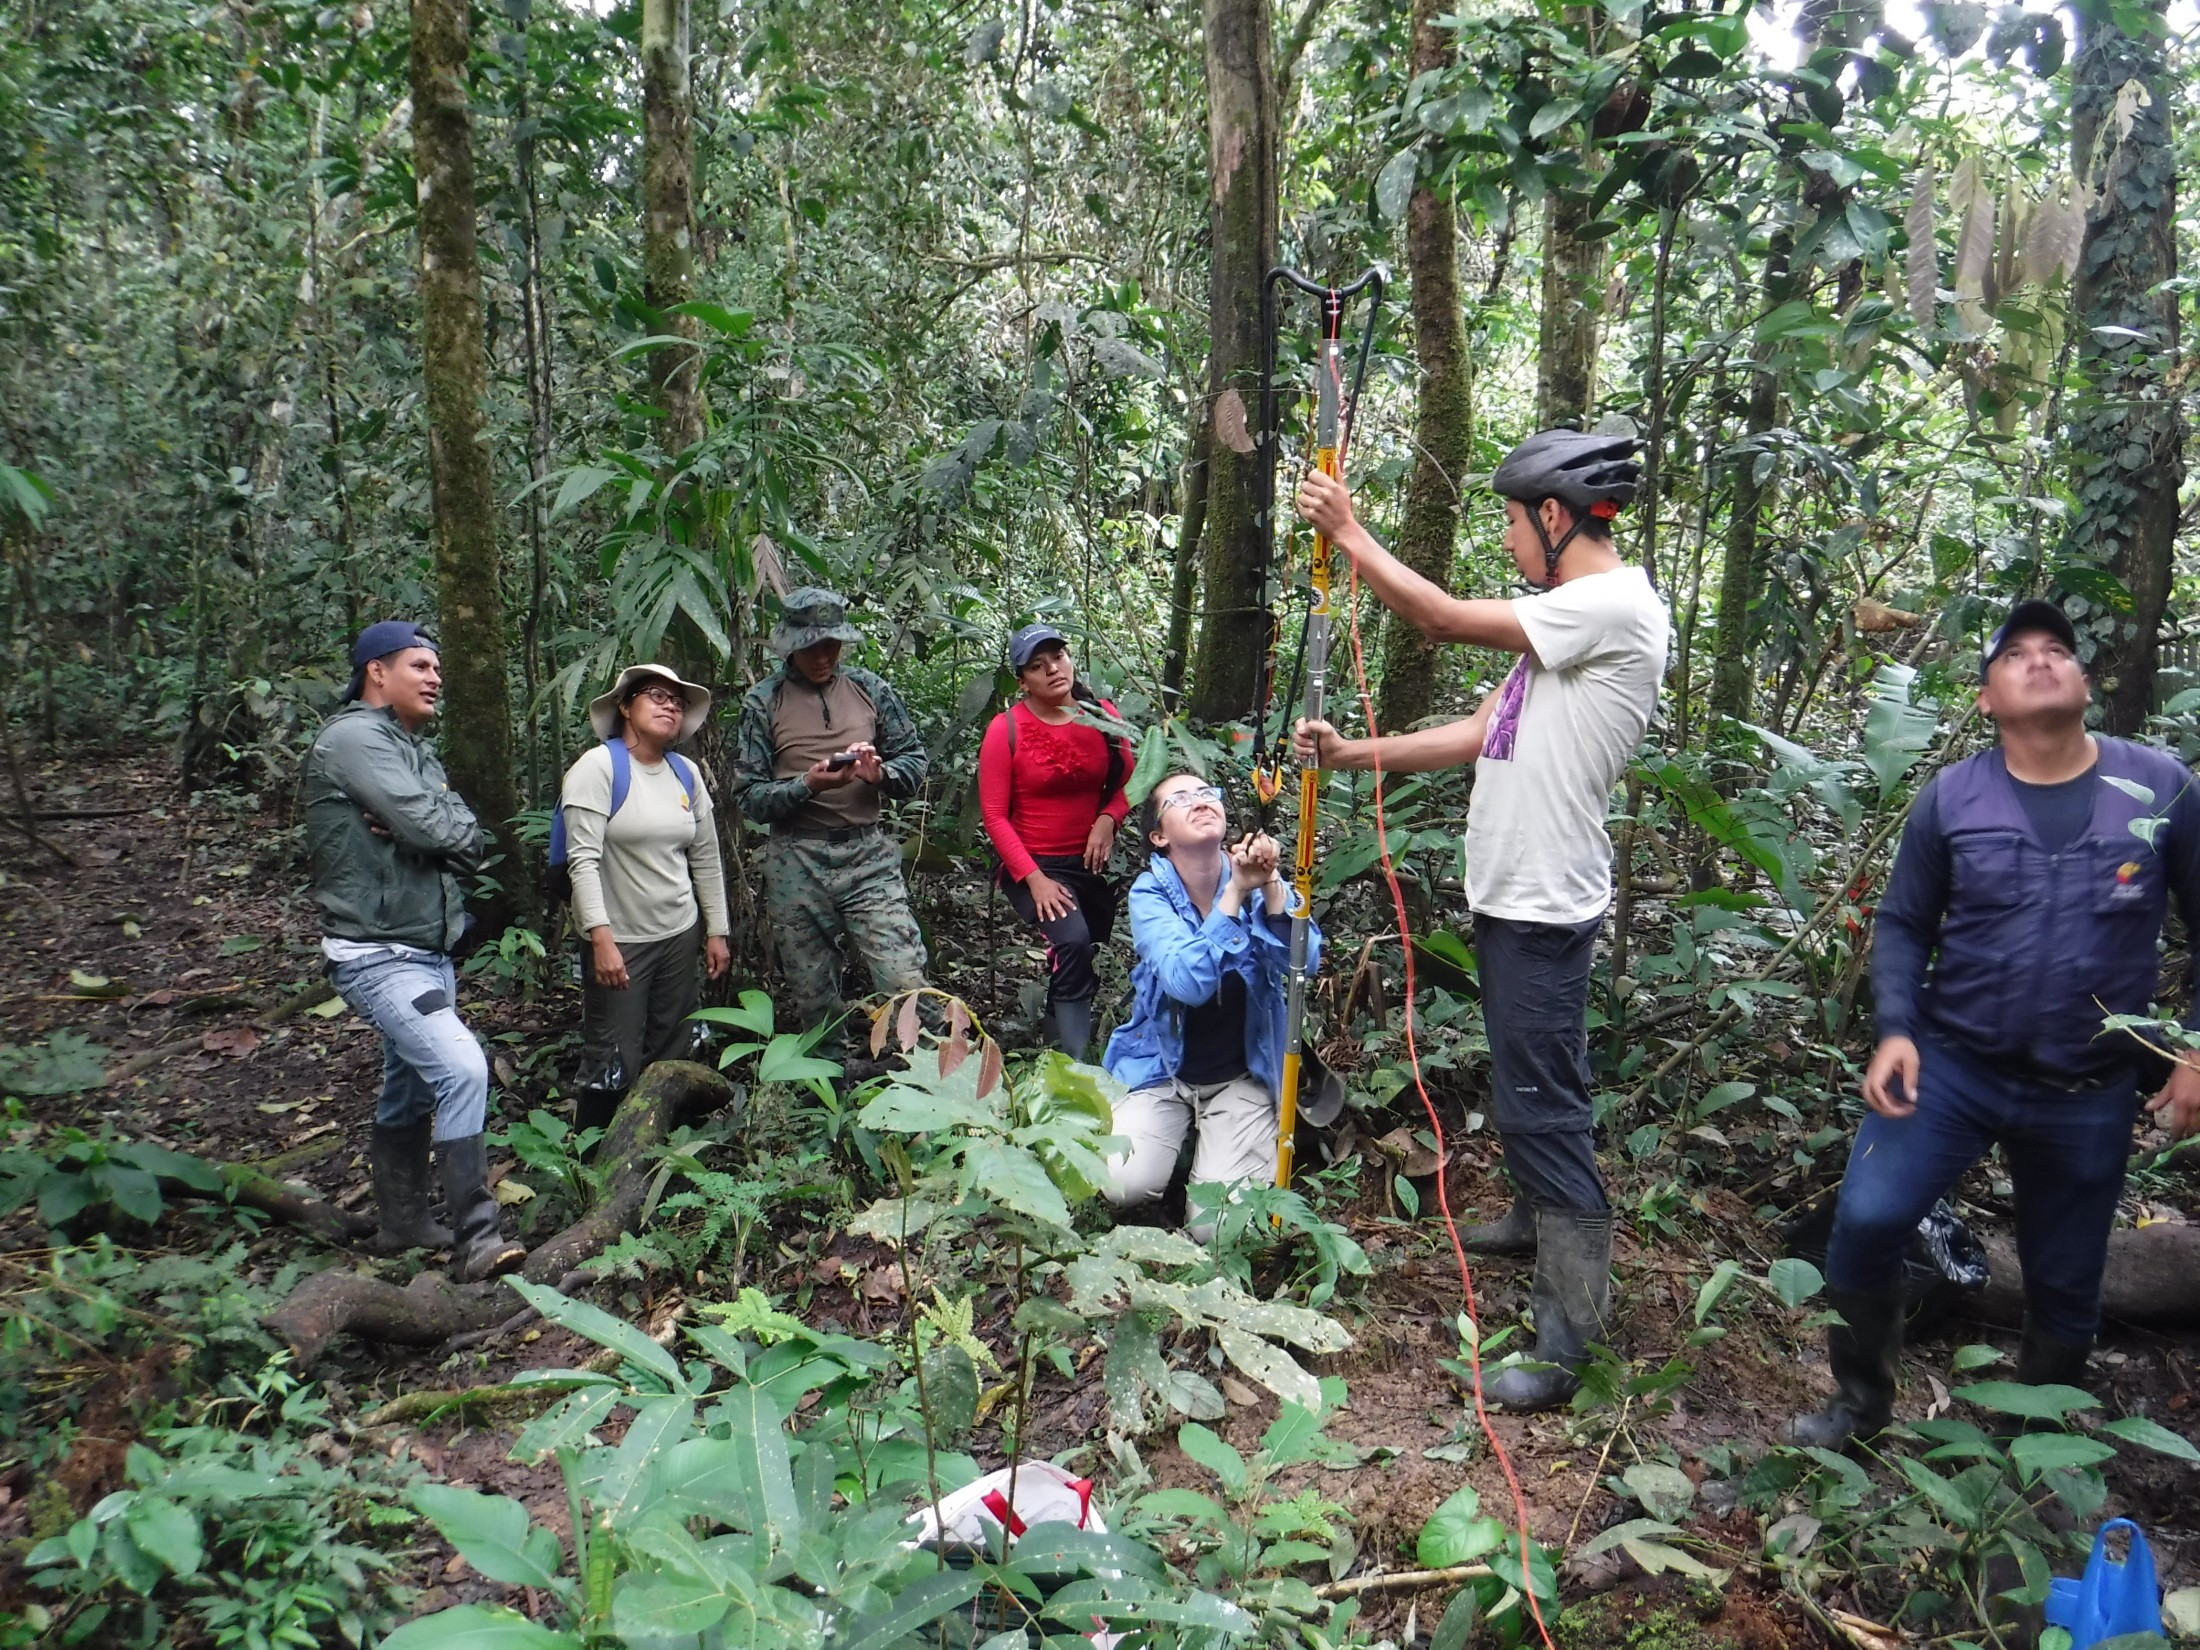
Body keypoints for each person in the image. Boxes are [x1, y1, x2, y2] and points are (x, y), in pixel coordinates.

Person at [1292, 430, 1667, 1409]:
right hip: (1515, 893)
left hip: (1546, 902)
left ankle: (1567, 1338)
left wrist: (1353, 531)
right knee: (1524, 1082)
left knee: (1547, 1106)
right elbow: (1477, 732)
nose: (1505, 539)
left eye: (1509, 520)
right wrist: (1349, 755)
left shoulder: (1613, 606)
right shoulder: (1562, 623)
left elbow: (1443, 620)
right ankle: (1536, 1218)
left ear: (1553, 517)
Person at [1788, 600, 2200, 1448]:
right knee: (1866, 1222)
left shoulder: (2159, 788)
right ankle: (1859, 1407)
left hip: (2087, 1087)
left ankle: (2029, 1458)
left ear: (2085, 683)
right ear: (1986, 699)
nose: (2041, 660)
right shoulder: (1954, 797)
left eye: (2059, 650)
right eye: (2017, 654)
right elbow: (1903, 923)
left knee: (2066, 1284)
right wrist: (1896, 1028)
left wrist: (2194, 1050)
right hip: (1953, 1067)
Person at [301, 621, 526, 1282]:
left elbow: (470, 838)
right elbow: (435, 825)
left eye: (438, 669)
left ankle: (400, 1224)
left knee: (409, 1091)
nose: (436, 679)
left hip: (426, 949)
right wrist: (430, 827)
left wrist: (431, 827)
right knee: (462, 1067)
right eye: (420, 666)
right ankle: (477, 1236)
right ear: (377, 671)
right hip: (377, 954)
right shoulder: (355, 737)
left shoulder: (411, 748)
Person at [1100, 773, 1317, 1241]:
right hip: (1164, 1071)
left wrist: (1271, 884)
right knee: (1121, 1184)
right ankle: (1176, 1157)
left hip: (1244, 1075)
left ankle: (1211, 1158)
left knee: (1216, 1230)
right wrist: (1234, 895)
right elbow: (1187, 983)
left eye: (1206, 793)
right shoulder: (1149, 893)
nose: (1199, 802)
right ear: (1159, 837)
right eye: (1180, 799)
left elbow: (1306, 962)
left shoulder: (1256, 875)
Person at [731, 587, 930, 1040]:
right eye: (811, 645)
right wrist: (809, 784)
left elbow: (914, 761)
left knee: (904, 979)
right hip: (796, 859)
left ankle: (925, 1078)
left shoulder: (870, 688)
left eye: (831, 644)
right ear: (790, 644)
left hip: (867, 857)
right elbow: (750, 796)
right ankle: (827, 1088)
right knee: (812, 992)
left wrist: (879, 774)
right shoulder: (764, 702)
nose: (823, 656)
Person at [559, 663, 732, 1132]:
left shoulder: (686, 773)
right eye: (656, 696)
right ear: (625, 707)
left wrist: (716, 930)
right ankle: (595, 1159)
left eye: (677, 700)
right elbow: (583, 862)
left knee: (673, 1047)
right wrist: (601, 940)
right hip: (622, 939)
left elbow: (706, 857)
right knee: (613, 1054)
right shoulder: (597, 769)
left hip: (679, 932)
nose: (670, 705)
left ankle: (659, 1149)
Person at [978, 623, 1135, 1059]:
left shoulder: (1102, 714)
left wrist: (1109, 818)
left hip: (1092, 862)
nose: (1053, 669)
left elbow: (1133, 779)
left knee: (1086, 955)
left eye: (1058, 657)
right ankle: (1076, 1066)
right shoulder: (1004, 729)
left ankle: (1051, 1054)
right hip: (1036, 862)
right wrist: (1034, 879)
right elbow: (993, 815)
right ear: (1021, 680)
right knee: (1072, 943)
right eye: (1037, 665)